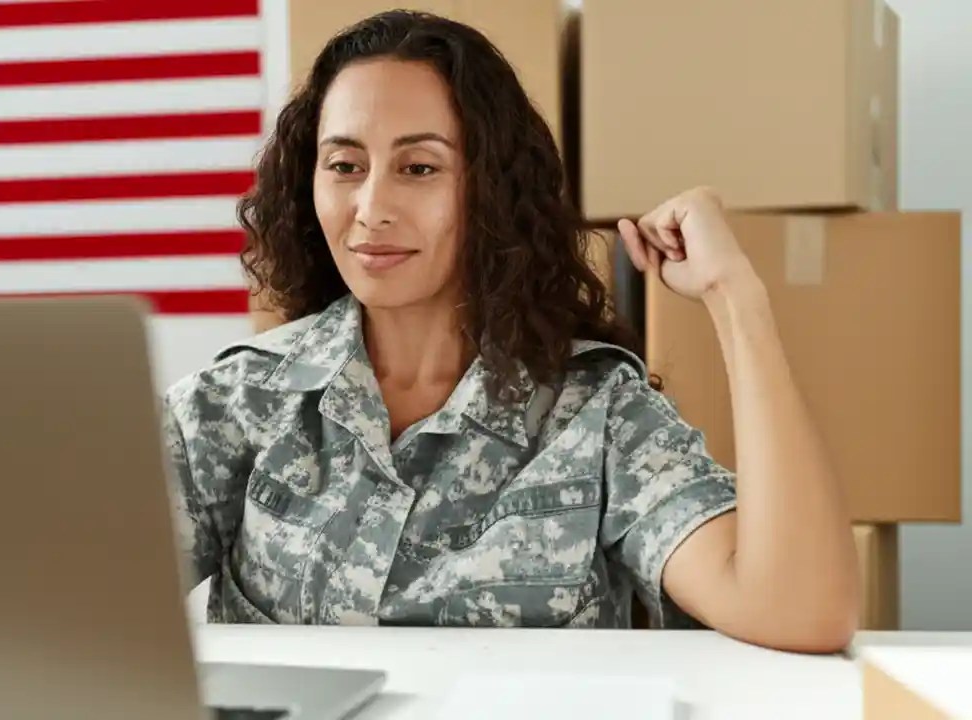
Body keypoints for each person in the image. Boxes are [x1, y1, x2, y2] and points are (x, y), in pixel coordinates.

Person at [161, 10, 858, 652]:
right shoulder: (236, 403)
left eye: (419, 168)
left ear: (489, 188)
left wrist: (734, 299)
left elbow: (800, 612)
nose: (370, 207)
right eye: (344, 166)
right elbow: (72, 610)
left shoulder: (596, 412)